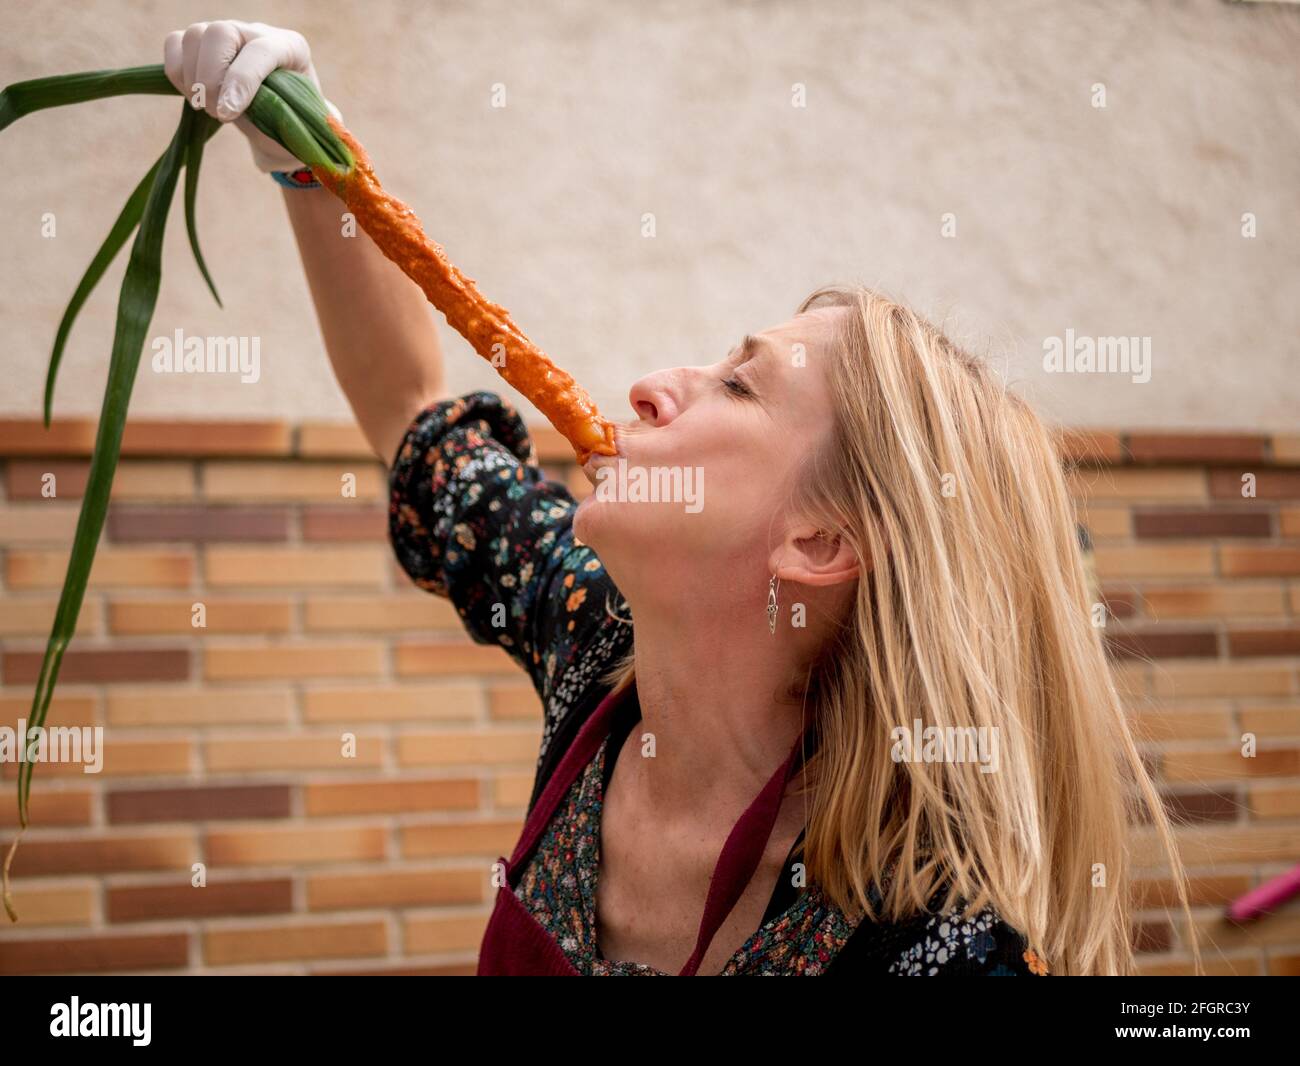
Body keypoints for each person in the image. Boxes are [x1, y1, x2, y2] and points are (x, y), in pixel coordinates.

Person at [164, 19, 1197, 975]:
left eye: (737, 384)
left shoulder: (943, 945)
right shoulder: (596, 641)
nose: (654, 385)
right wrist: (311, 152)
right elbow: (409, 407)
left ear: (821, 539)